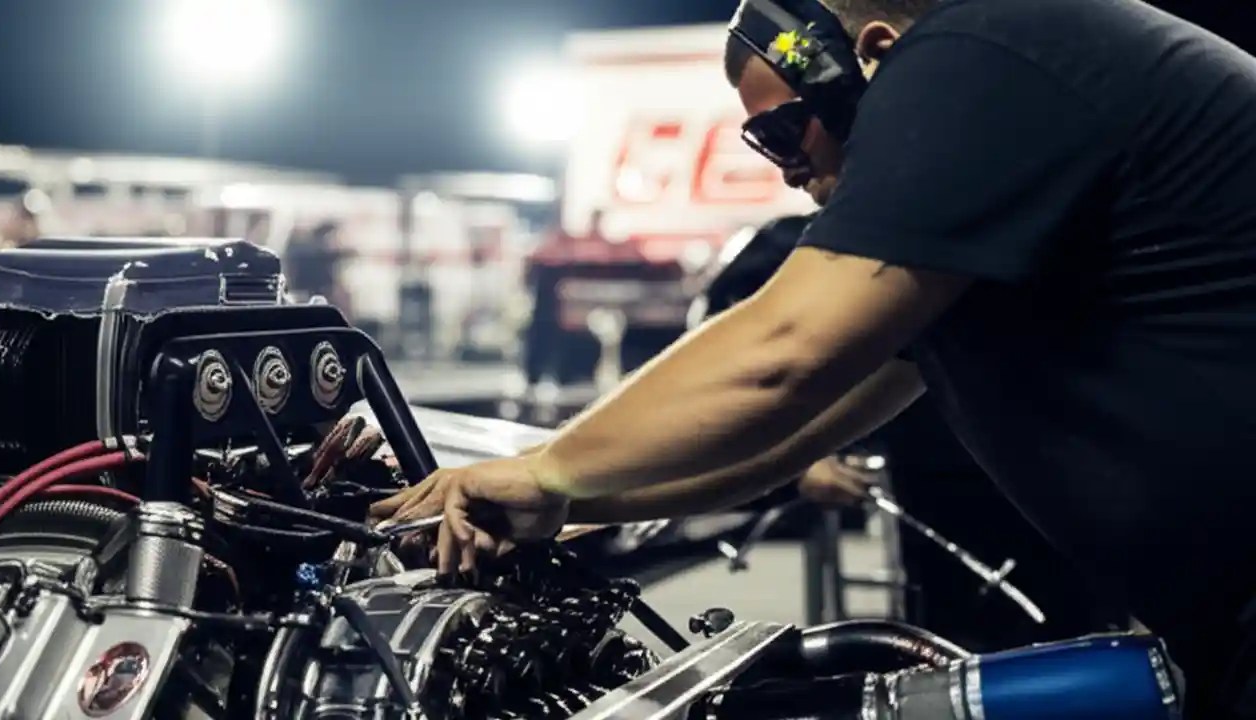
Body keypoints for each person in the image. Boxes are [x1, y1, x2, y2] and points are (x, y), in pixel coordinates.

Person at [373, 0, 1256, 715]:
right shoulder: (978, 229)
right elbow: (785, 433)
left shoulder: (980, 46)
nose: (784, 167)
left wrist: (545, 469)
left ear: (870, 55)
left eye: (786, 130)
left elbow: (782, 353)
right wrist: (565, 505)